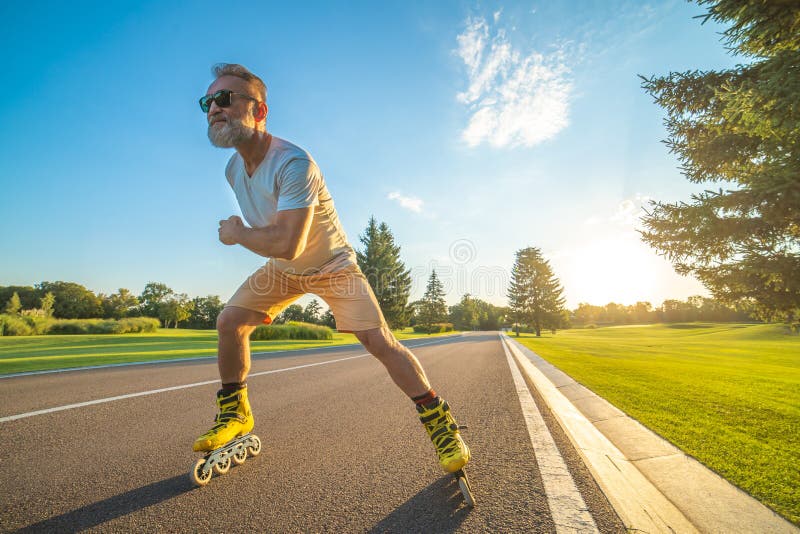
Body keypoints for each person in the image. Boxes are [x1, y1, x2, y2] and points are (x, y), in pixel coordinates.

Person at [193, 63, 470, 474]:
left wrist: (237, 233)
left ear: (260, 110)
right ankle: (236, 411)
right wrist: (251, 235)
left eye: (226, 98)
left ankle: (439, 421)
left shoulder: (294, 163)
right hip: (284, 270)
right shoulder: (233, 170)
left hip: (332, 264)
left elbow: (288, 242)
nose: (214, 107)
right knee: (230, 321)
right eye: (207, 101)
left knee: (380, 342)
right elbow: (276, 243)